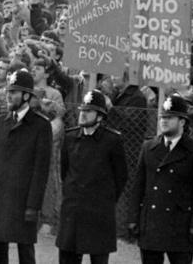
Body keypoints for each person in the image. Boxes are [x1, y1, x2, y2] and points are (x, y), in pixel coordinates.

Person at [0, 69, 52, 264]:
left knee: (25, 250)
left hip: (23, 198)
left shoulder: (41, 126)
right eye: (8, 91)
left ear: (26, 96)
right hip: (0, 196)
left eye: (14, 92)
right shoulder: (0, 122)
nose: (9, 96)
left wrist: (33, 205)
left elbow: (40, 170)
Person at [128, 94, 193, 264]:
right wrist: (133, 218)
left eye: (170, 118)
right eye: (162, 117)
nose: (164, 121)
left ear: (182, 121)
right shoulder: (149, 147)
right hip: (152, 221)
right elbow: (138, 186)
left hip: (180, 224)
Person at [57, 89, 128, 264]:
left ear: (100, 116)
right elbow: (65, 171)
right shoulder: (70, 137)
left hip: (99, 214)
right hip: (73, 211)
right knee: (67, 258)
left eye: (89, 111)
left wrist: (104, 199)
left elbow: (121, 176)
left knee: (98, 257)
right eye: (82, 110)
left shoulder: (112, 141)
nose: (83, 114)